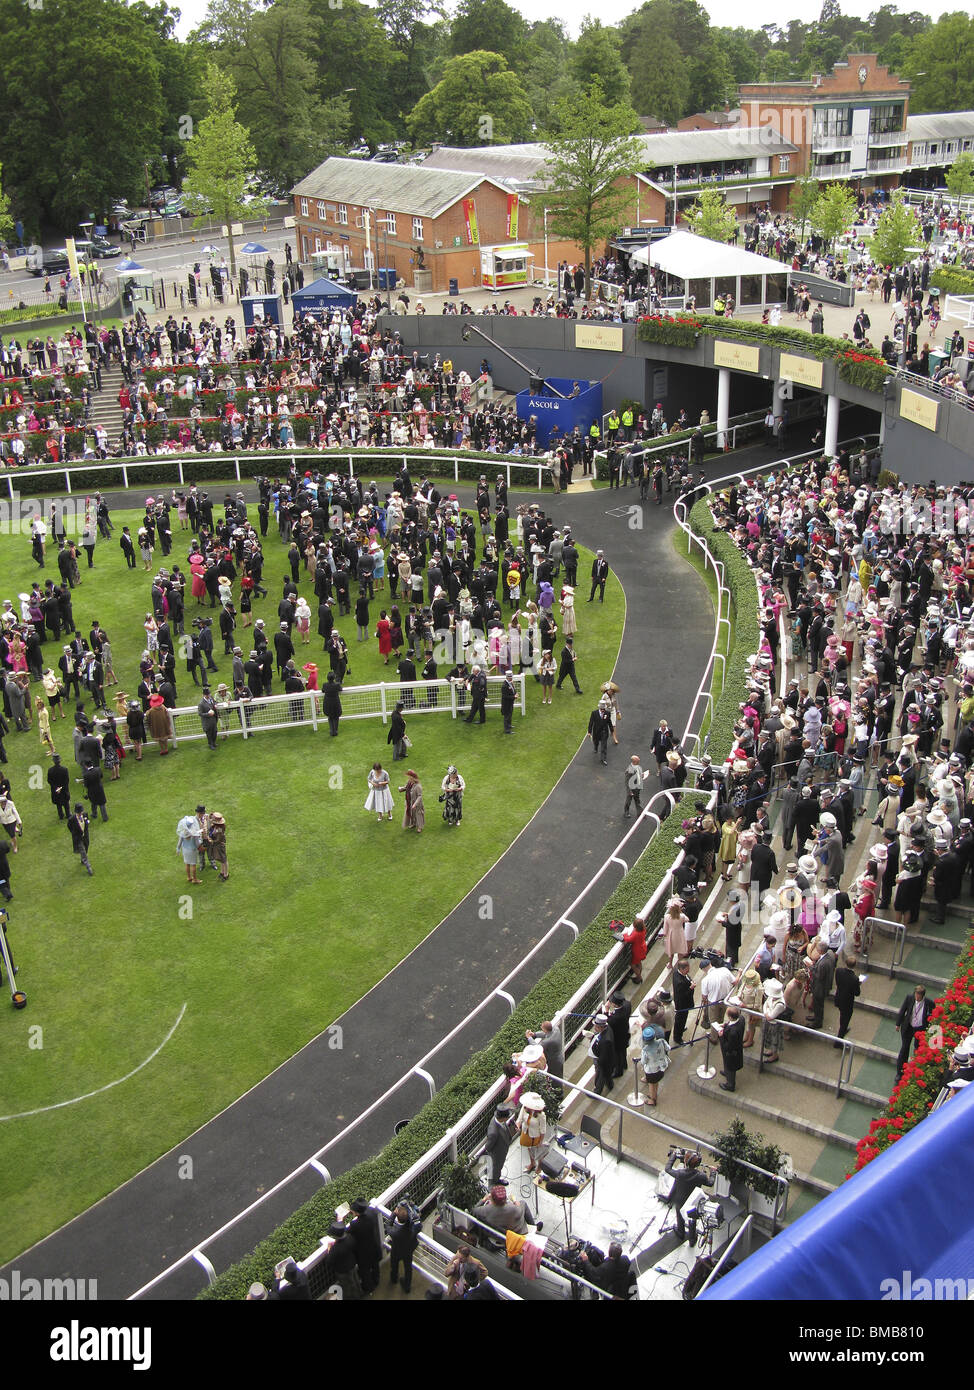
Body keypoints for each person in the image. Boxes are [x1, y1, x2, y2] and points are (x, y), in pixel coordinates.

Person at [664, 1151, 714, 1244]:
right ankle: (692, 1239)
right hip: (693, 1202)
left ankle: (681, 1232)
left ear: (686, 1162)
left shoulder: (680, 1173)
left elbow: (667, 1169)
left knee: (680, 1216)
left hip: (680, 1201)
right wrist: (713, 1172)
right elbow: (710, 1183)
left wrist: (673, 1157)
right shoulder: (701, 1176)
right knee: (692, 1218)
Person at [896, 984, 934, 1080]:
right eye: (916, 994)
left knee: (918, 1050)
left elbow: (932, 1015)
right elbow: (902, 1010)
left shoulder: (929, 1003)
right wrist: (898, 1023)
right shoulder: (909, 998)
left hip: (920, 1029)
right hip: (908, 1027)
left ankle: (915, 1072)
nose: (916, 997)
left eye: (918, 996)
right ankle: (900, 1072)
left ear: (922, 996)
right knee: (904, 1048)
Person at [482, 1103, 515, 1185]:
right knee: (496, 1168)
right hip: (497, 1154)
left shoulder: (498, 1120)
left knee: (495, 1167)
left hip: (501, 1151)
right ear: (503, 1118)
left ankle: (490, 1171)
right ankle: (494, 1181)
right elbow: (488, 1146)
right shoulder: (494, 1132)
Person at [640, 1020, 670, 1107]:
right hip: (662, 1067)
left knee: (651, 1085)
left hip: (651, 1071)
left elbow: (643, 1061)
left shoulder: (645, 1050)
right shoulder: (661, 1041)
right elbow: (668, 1048)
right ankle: (654, 1094)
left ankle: (652, 1100)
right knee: (656, 1083)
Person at [716, 1005, 745, 1092]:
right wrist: (725, 1025)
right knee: (728, 1064)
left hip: (731, 1052)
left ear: (731, 1017)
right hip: (737, 1048)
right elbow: (731, 1023)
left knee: (730, 1065)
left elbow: (727, 1047)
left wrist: (721, 1036)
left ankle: (730, 1085)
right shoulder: (741, 1019)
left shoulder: (733, 1032)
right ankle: (727, 1072)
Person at [833, 955, 861, 1044]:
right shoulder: (855, 979)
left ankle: (843, 1028)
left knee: (842, 1016)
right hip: (847, 1002)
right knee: (845, 1020)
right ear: (854, 965)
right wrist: (857, 985)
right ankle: (838, 1042)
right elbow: (857, 993)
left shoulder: (838, 971)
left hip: (839, 997)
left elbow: (838, 982)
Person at [516, 1091, 546, 1173]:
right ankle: (532, 1163)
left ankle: (539, 1166)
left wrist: (541, 1141)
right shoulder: (524, 1108)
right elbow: (519, 1119)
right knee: (529, 1148)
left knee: (537, 1151)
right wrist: (518, 1125)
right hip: (526, 1132)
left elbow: (543, 1129)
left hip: (535, 1135)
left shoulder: (541, 1115)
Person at [198, 805, 229, 881]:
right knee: (221, 860)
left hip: (220, 845)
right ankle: (222, 872)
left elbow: (218, 840)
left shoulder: (219, 830)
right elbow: (210, 817)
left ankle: (226, 874)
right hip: (217, 846)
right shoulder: (215, 826)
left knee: (224, 860)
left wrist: (211, 840)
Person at [589, 1012, 617, 1094]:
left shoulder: (606, 1040)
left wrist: (599, 1063)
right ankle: (610, 1085)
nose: (594, 1028)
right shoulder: (606, 1030)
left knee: (600, 1075)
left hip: (603, 1061)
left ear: (600, 1027)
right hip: (605, 1059)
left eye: (596, 1026)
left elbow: (604, 1056)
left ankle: (597, 1092)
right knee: (606, 1074)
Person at [176, 810, 203, 884]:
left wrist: (178, 849)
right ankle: (195, 879)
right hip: (192, 850)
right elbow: (197, 844)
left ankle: (189, 877)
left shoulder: (183, 832)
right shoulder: (194, 833)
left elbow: (179, 842)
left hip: (185, 849)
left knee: (187, 863)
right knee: (193, 864)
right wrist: (201, 840)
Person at [67, 802, 93, 876]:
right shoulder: (72, 819)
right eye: (79, 813)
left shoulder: (85, 815)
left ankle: (82, 860)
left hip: (85, 836)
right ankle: (88, 867)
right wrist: (74, 833)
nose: (80, 814)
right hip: (78, 838)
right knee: (83, 851)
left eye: (81, 812)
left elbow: (87, 822)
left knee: (86, 846)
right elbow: (69, 826)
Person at [398, 768, 425, 833]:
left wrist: (415, 804)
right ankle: (413, 824)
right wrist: (402, 789)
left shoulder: (418, 786)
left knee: (418, 814)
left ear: (413, 777)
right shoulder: (409, 783)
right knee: (412, 814)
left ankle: (420, 827)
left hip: (417, 803)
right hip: (410, 801)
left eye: (409, 777)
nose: (408, 778)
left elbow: (420, 796)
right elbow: (406, 788)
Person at [47, 753, 71, 819]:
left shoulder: (50, 770)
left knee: (58, 804)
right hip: (64, 790)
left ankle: (61, 815)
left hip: (55, 790)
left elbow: (49, 781)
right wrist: (61, 787)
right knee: (66, 803)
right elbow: (66, 781)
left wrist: (56, 788)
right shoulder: (64, 769)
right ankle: (68, 814)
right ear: (60, 760)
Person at [198, 686, 219, 751]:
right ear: (203, 695)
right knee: (209, 733)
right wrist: (208, 714)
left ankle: (214, 743)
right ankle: (210, 744)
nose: (208, 695)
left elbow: (214, 702)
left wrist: (215, 704)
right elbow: (200, 713)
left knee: (215, 731)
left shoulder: (211, 698)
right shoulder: (201, 704)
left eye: (209, 694)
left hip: (213, 719)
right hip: (207, 721)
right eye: (207, 695)